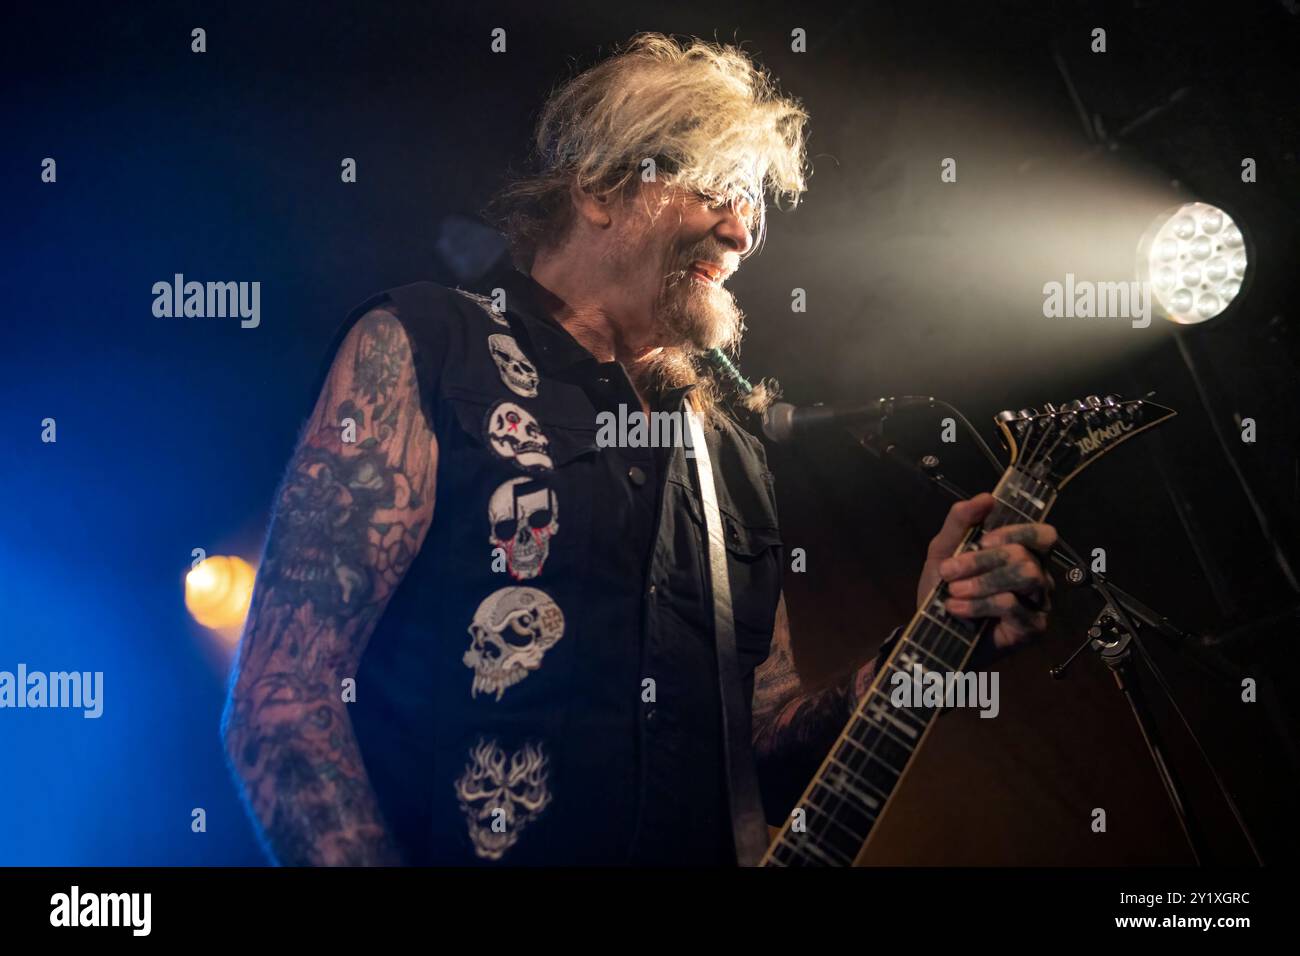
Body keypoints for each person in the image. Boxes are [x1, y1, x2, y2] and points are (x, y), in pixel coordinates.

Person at [221, 33, 1056, 866]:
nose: (741, 232)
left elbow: (763, 756)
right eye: (718, 190)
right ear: (598, 186)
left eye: (751, 205)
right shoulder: (428, 344)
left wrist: (927, 643)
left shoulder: (729, 453)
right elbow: (283, 700)